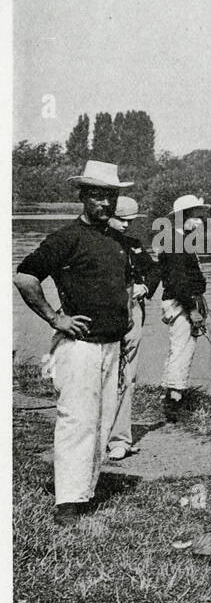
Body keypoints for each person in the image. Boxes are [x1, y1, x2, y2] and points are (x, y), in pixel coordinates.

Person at [14, 161, 135, 524]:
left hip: (112, 343)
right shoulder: (66, 238)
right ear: (83, 196)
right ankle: (66, 502)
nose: (106, 204)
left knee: (102, 421)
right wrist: (56, 318)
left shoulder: (117, 240)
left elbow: (125, 285)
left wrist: (126, 320)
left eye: (111, 196)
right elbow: (24, 277)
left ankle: (86, 491)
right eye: (97, 195)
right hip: (80, 345)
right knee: (77, 420)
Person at [106, 196, 160, 461]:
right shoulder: (97, 243)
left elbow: (154, 270)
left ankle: (120, 438)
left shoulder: (134, 245)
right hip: (103, 314)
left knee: (128, 375)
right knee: (101, 375)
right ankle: (100, 436)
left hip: (133, 312)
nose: (127, 226)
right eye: (122, 220)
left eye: (131, 221)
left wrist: (145, 286)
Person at [156, 194, 211, 421]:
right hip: (181, 304)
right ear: (183, 217)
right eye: (196, 216)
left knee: (178, 348)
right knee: (182, 350)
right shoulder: (175, 242)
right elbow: (179, 283)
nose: (200, 221)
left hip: (183, 301)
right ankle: (174, 401)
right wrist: (193, 309)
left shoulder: (180, 240)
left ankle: (171, 394)